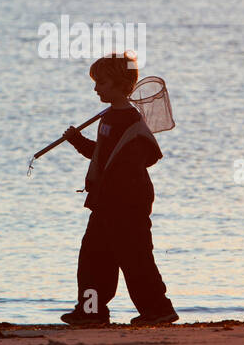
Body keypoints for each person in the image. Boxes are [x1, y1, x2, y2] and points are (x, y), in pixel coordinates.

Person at [58, 54, 178, 327]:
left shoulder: (129, 121)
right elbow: (103, 156)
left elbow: (128, 164)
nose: (96, 88)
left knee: (135, 258)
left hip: (126, 203)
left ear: (119, 84)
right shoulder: (110, 117)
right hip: (107, 203)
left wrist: (111, 196)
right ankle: (92, 312)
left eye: (102, 82)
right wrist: (77, 142)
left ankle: (158, 310)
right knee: (93, 259)